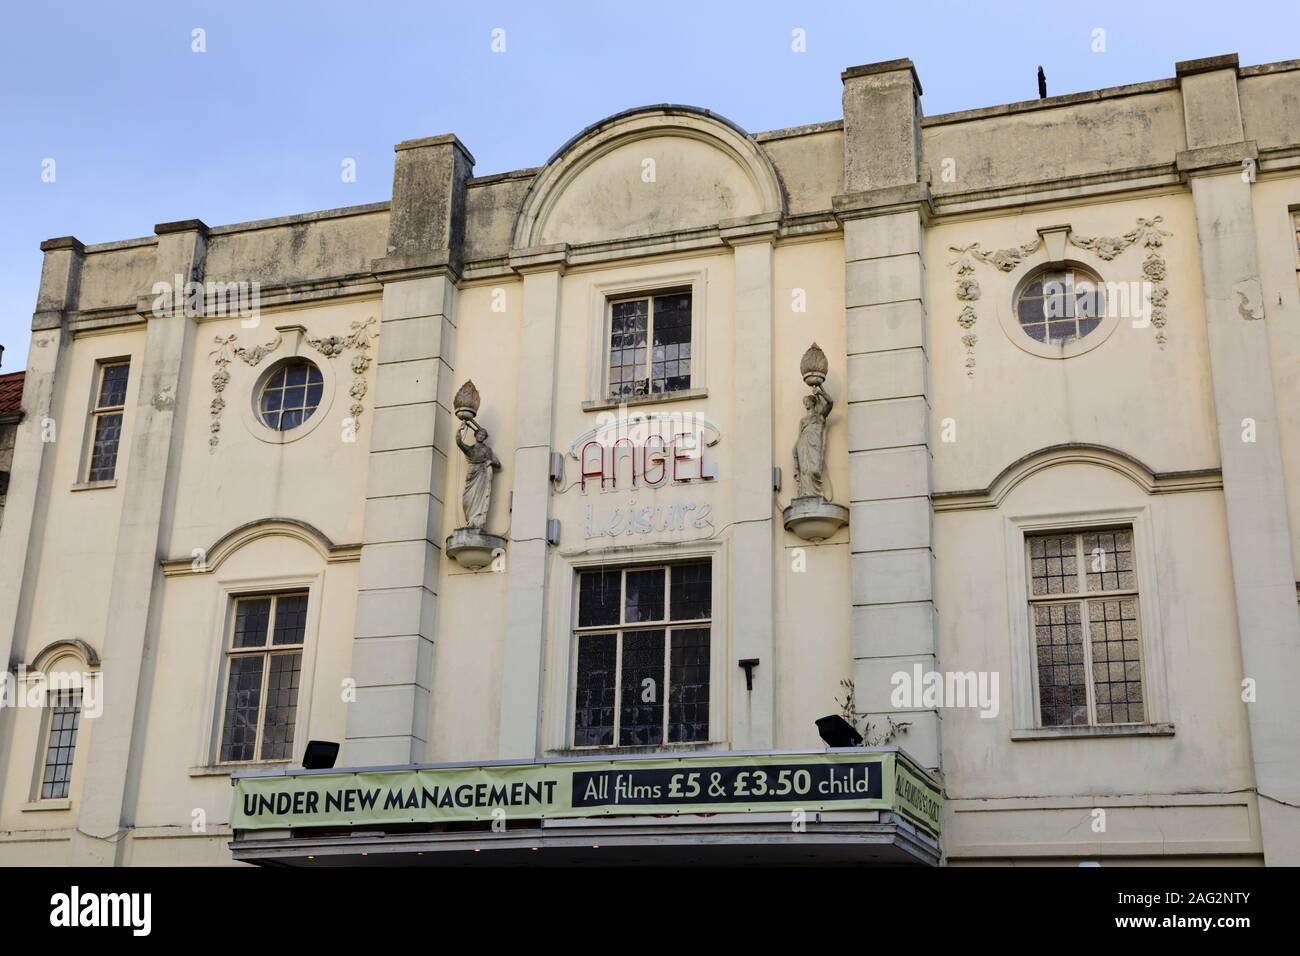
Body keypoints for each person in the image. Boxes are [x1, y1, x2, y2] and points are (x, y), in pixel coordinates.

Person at [456, 421, 501, 529]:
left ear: (485, 438)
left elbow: (498, 464)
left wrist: (491, 462)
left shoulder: (487, 450)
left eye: (483, 435)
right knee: (466, 500)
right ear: (475, 436)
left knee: (479, 499)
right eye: (479, 434)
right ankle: (469, 520)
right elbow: (459, 443)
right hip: (472, 474)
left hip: (482, 475)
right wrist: (459, 430)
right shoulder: (470, 449)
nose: (481, 436)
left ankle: (476, 521)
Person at [793, 383, 832, 498]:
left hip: (815, 445)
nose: (806, 404)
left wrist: (820, 391)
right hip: (803, 445)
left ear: (813, 402)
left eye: (807, 401)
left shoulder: (820, 416)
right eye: (804, 402)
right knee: (804, 469)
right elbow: (799, 436)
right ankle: (806, 494)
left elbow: (830, 403)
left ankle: (817, 493)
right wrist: (795, 447)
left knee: (815, 470)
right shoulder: (803, 420)